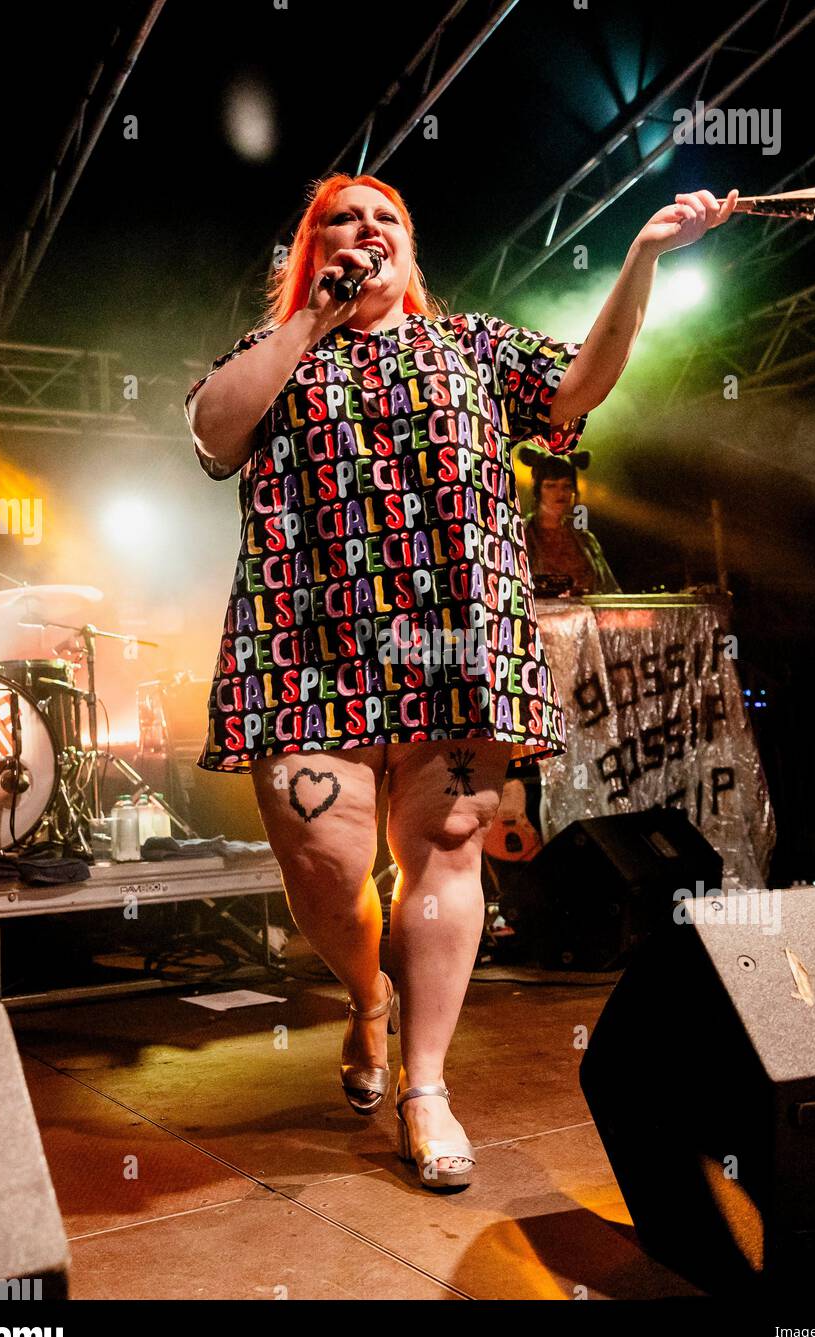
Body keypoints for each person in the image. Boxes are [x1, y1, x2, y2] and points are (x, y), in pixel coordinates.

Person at [185, 172, 737, 1190]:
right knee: (322, 866)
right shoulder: (278, 356)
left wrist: (642, 256)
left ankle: (426, 1086)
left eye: (385, 215)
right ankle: (365, 1001)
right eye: (339, 220)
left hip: (455, 636)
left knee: (444, 847)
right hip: (308, 641)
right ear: (309, 252)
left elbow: (574, 391)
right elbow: (215, 432)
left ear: (409, 247)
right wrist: (309, 320)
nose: (364, 230)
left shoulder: (472, 346)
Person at [519, 444, 620, 594]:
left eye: (566, 486)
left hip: (585, 616)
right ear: (538, 491)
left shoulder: (585, 540)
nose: (560, 493)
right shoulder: (519, 536)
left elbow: (609, 590)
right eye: (551, 486)